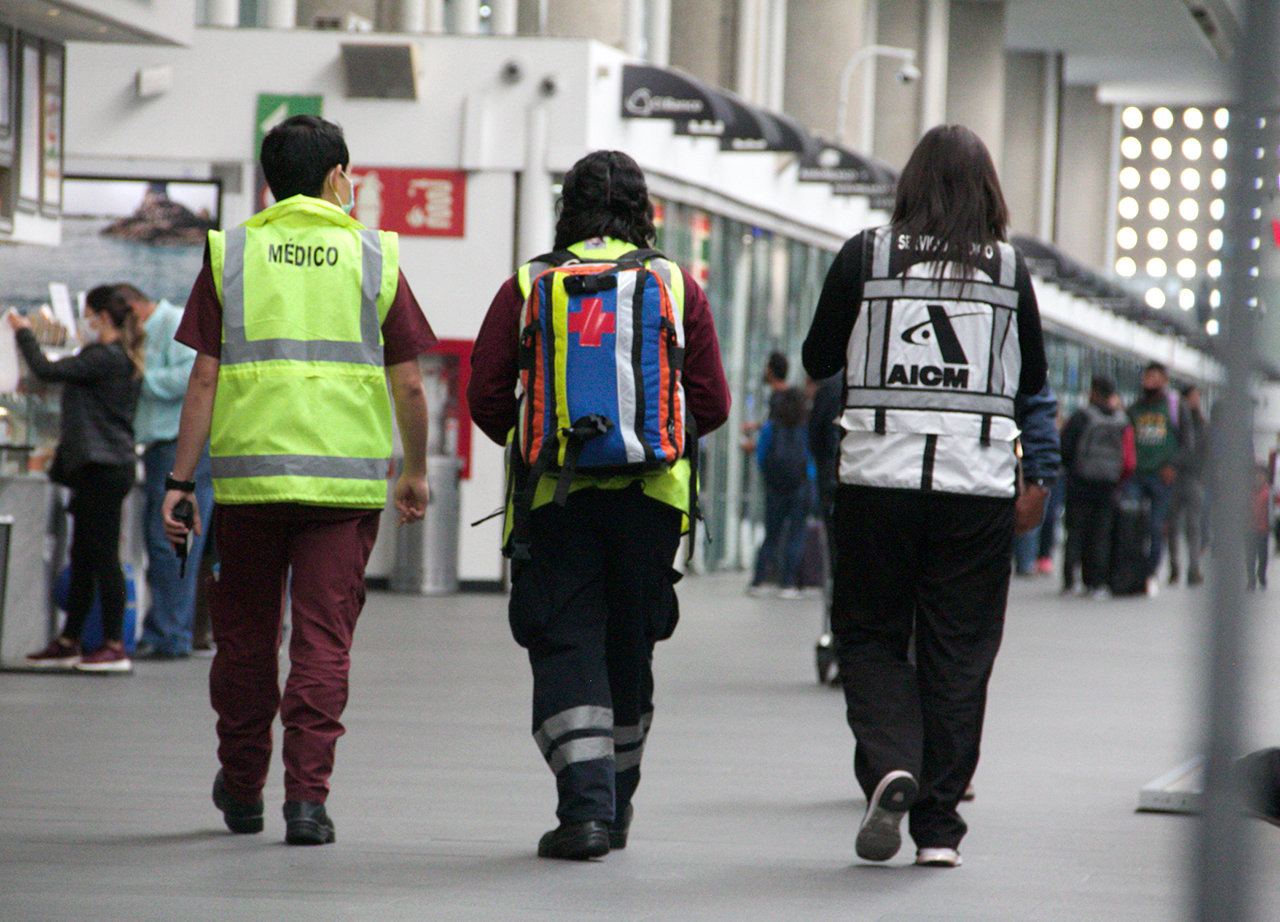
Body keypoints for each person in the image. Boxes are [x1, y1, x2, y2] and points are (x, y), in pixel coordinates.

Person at [160, 114, 435, 845]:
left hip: (249, 488)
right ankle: (307, 803)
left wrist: (179, 481)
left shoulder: (235, 253)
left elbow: (205, 378)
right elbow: (409, 385)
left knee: (246, 641)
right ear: (339, 177)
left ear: (268, 179)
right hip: (340, 495)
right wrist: (414, 470)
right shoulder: (372, 255)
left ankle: (244, 786)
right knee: (322, 644)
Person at [802, 124, 1055, 869]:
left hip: (877, 480)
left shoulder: (866, 255)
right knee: (960, 652)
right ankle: (939, 830)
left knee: (872, 634)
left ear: (909, 183)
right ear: (988, 191)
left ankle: (889, 766)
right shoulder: (1010, 271)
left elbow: (819, 358)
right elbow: (1031, 379)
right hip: (974, 491)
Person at [468, 149, 730, 860]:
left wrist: (537, 442)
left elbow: (486, 394)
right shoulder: (675, 282)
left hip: (556, 499)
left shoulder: (531, 280)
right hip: (651, 501)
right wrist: (651, 441)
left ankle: (583, 811)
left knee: (565, 641)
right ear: (645, 210)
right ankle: (615, 807)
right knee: (629, 649)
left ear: (568, 206)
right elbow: (712, 401)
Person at [16, 285, 143, 672]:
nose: (83, 323)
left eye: (86, 314)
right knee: (84, 557)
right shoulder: (119, 358)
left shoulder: (104, 357)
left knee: (103, 557)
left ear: (101, 318)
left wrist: (23, 330)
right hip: (101, 468)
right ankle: (71, 639)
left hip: (102, 469)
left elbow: (47, 370)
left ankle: (113, 645)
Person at [112, 283, 214, 660]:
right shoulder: (152, 329)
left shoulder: (175, 323)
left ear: (134, 310)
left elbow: (192, 377)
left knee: (171, 540)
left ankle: (169, 633)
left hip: (180, 448)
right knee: (167, 542)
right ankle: (172, 630)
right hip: (161, 448)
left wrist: (139, 378)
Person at [1059, 376, 1132, 597]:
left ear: (1093, 393)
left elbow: (1065, 449)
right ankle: (1096, 583)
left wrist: (1073, 470)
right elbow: (1128, 459)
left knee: (1075, 532)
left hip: (1080, 483)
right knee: (1101, 534)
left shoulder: (1081, 417)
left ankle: (1071, 581)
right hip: (1108, 485)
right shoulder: (1121, 421)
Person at [1127, 362, 1189, 595]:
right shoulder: (1134, 408)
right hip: (1136, 475)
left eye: (1155, 376)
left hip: (1161, 477)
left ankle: (1151, 571)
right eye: (1147, 376)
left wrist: (1173, 465)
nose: (1149, 380)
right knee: (1133, 525)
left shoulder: (1175, 407)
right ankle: (1134, 570)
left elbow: (1186, 442)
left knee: (1155, 527)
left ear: (1164, 380)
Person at [751, 381, 812, 598]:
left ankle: (757, 581)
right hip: (798, 488)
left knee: (771, 535)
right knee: (795, 536)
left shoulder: (771, 426)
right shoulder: (804, 427)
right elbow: (809, 460)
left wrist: (770, 479)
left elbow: (760, 456)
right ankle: (787, 584)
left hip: (775, 489)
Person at [1167, 384, 1207, 585]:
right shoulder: (1175, 421)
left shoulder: (1202, 423)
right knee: (1172, 525)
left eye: (1197, 397)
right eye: (1192, 397)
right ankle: (1174, 566)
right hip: (1174, 478)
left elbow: (1207, 451)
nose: (1195, 401)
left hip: (1194, 479)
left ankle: (1194, 568)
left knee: (1193, 525)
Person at [1249, 463, 1271, 591]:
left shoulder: (1268, 493)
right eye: (1256, 475)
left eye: (1261, 475)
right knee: (1250, 556)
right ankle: (1251, 578)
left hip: (1263, 530)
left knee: (1263, 555)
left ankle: (1261, 574)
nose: (1258, 478)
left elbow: (1272, 511)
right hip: (1249, 529)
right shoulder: (1247, 493)